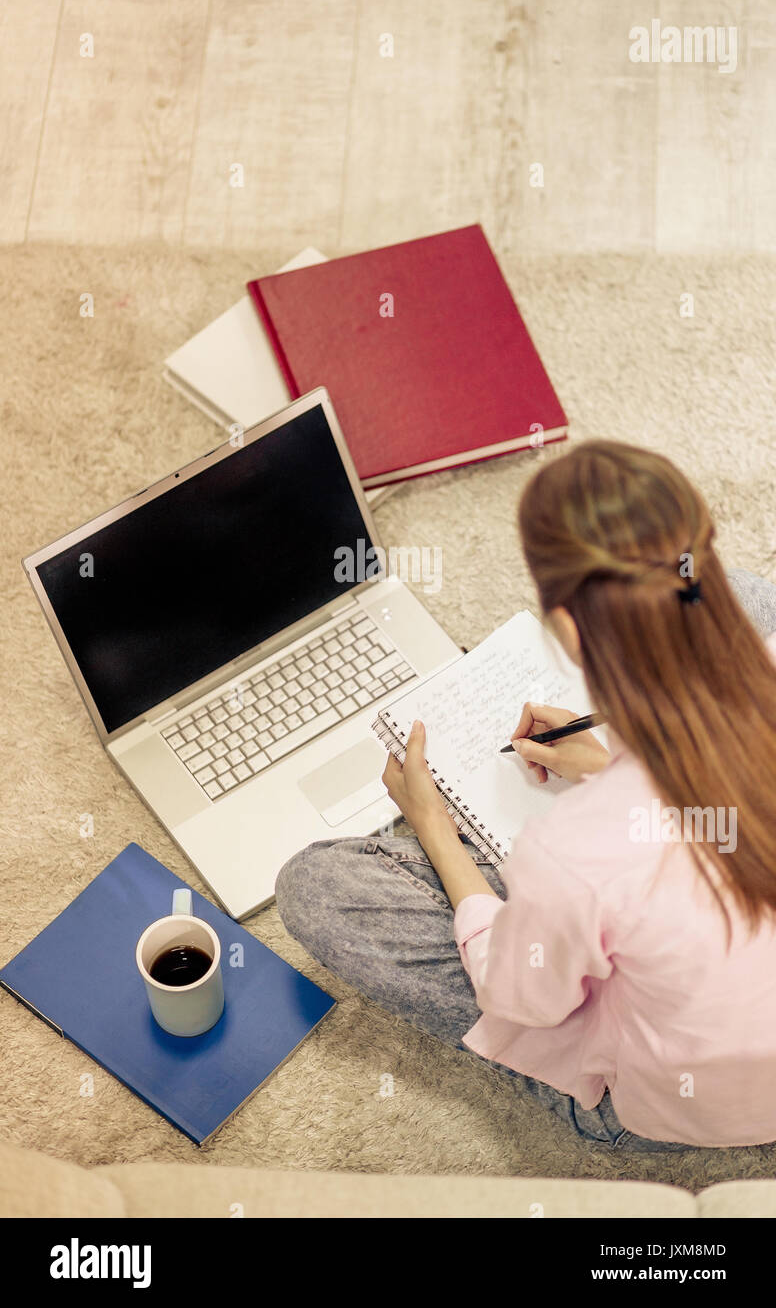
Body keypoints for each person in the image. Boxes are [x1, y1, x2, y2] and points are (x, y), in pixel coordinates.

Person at [275, 439, 776, 1151]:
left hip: (683, 1105)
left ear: (567, 627)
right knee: (758, 601)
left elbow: (518, 995)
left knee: (315, 887)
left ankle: (593, 1098)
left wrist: (435, 829)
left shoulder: (573, 853)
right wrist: (614, 770)